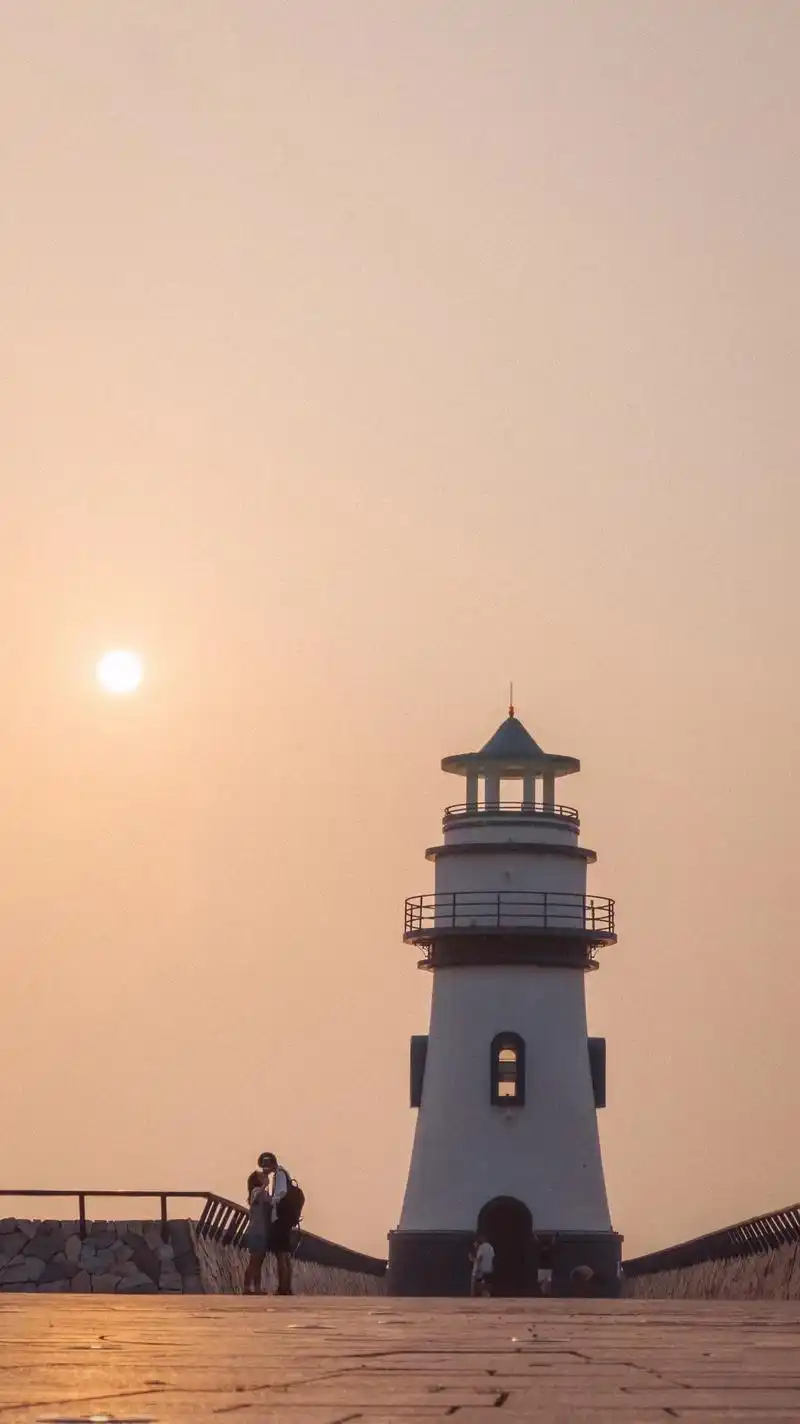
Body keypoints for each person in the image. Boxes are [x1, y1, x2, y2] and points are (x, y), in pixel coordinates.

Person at [259, 1151, 295, 1297]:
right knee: (285, 1255)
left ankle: (282, 1288)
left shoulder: (279, 1175)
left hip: (280, 1218)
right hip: (285, 1219)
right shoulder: (283, 1173)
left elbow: (281, 1193)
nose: (263, 1170)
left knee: (280, 1254)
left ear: (270, 1164)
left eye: (264, 1166)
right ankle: (287, 1287)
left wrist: (270, 1201)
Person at [243, 1168, 269, 1295]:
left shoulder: (263, 1192)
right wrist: (265, 1185)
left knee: (259, 1261)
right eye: (261, 1175)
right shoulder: (256, 1190)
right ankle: (247, 1286)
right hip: (256, 1231)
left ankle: (257, 1287)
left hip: (261, 1231)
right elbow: (257, 1196)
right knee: (254, 1260)